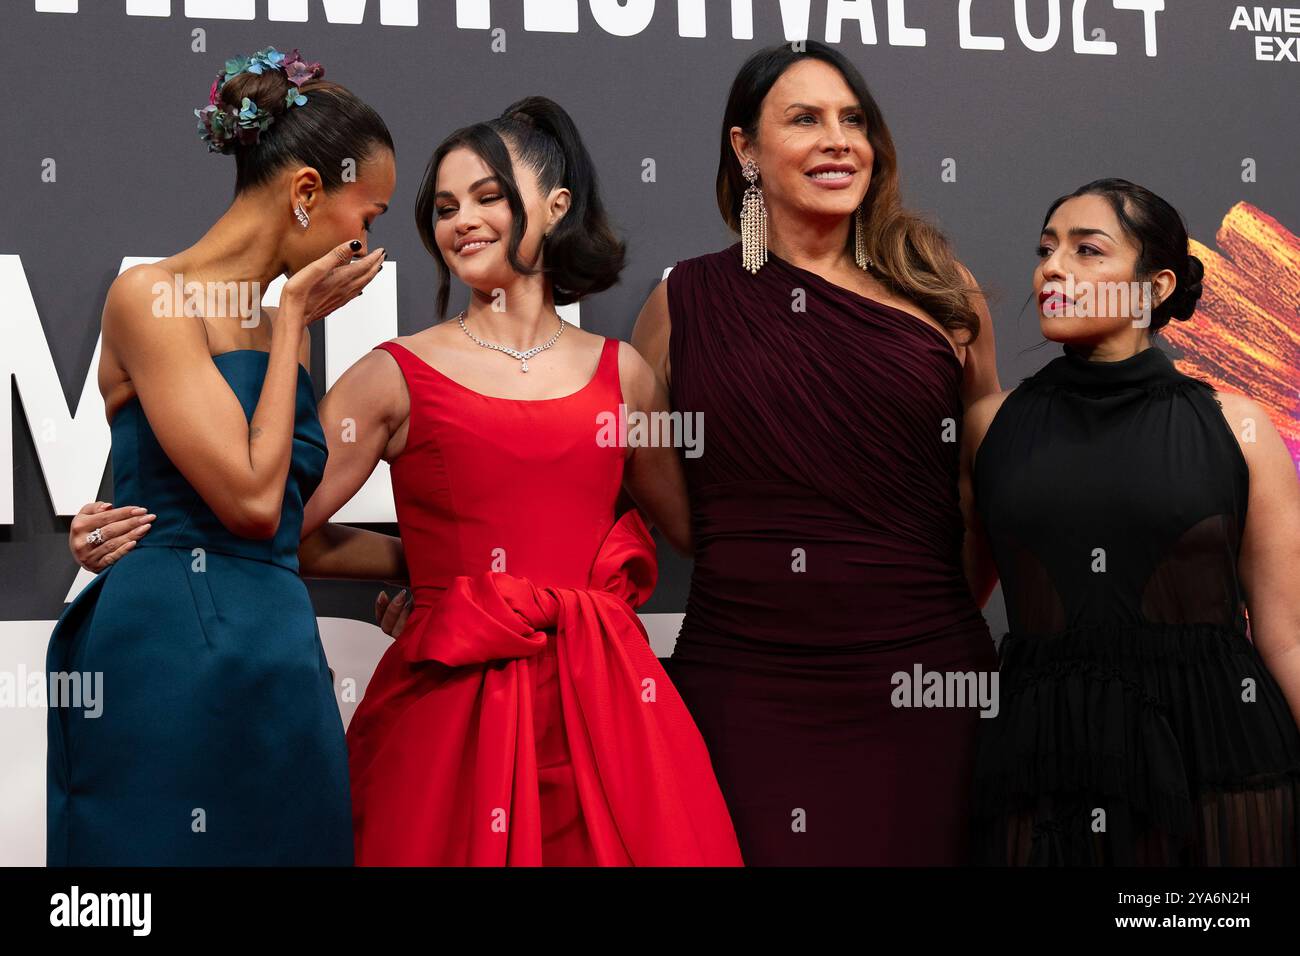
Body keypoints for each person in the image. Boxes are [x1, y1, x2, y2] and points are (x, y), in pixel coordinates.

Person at [628, 41, 1001, 865]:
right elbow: (664, 503)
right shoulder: (682, 300)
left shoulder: (943, 288)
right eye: (805, 119)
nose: (840, 141)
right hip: (747, 681)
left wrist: (922, 612)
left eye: (854, 120)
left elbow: (988, 485)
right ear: (745, 150)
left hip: (922, 676)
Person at [50, 47, 393, 865]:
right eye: (368, 217)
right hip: (167, 645)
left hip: (276, 648)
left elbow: (285, 530)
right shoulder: (151, 296)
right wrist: (289, 325)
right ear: (308, 192)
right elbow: (244, 500)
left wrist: (433, 563)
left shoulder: (290, 333)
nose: (365, 244)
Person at [962, 178, 1300, 865]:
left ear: (1154, 286)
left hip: (1222, 763)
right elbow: (951, 605)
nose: (1053, 268)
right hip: (1042, 762)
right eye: (1046, 249)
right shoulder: (989, 425)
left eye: (1087, 250)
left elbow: (1287, 637)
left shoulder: (1239, 428)